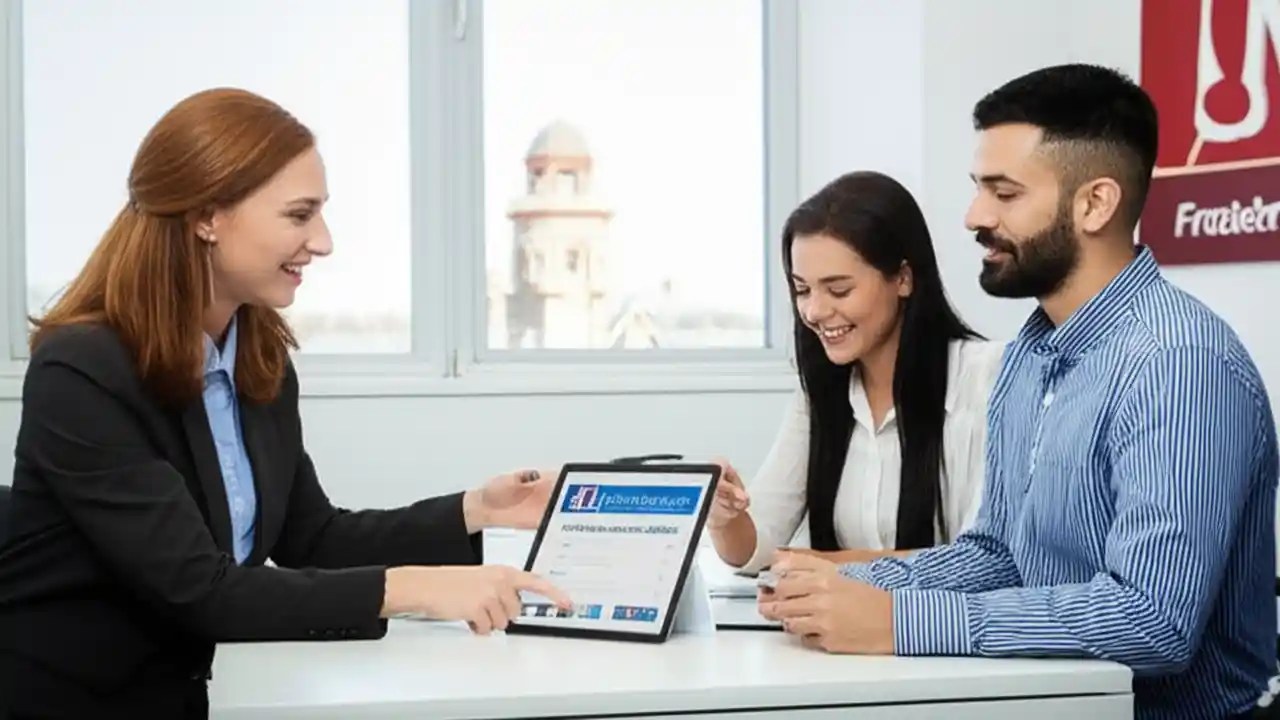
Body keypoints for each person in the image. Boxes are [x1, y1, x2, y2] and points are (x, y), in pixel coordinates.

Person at [0, 88, 572, 719]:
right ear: (206, 216)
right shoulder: (82, 371)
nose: (323, 242)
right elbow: (198, 588)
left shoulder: (257, 357)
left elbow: (313, 537)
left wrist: (477, 510)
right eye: (300, 216)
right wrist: (419, 590)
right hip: (72, 702)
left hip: (184, 695)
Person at [759, 64, 1277, 720]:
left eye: (1003, 194)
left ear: (1095, 204)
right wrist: (846, 585)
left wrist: (902, 621)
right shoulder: (1033, 354)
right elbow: (1002, 554)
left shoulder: (1177, 364)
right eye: (979, 189)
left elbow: (1151, 621)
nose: (975, 216)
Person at [707, 171, 1006, 574]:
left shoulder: (987, 376)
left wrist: (820, 565)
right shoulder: (821, 386)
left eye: (839, 290)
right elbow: (756, 550)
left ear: (903, 278)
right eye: (802, 289)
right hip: (837, 632)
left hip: (938, 634)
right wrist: (725, 518)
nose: (814, 311)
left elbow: (983, 562)